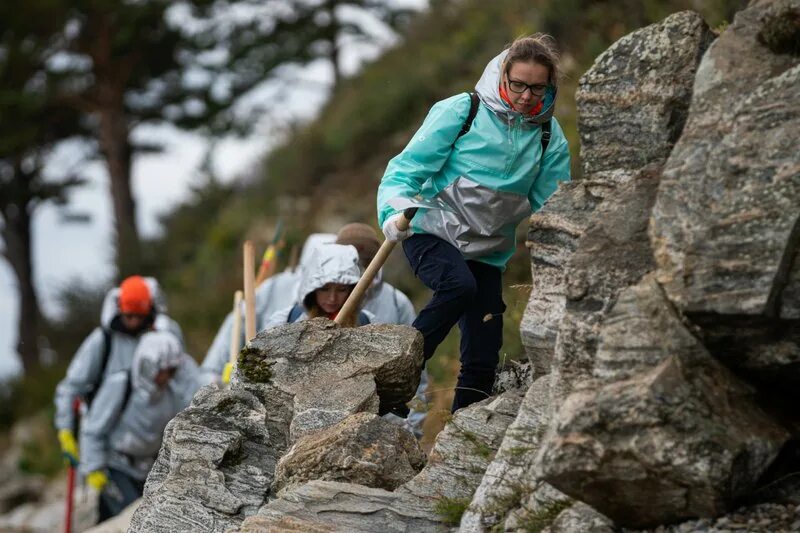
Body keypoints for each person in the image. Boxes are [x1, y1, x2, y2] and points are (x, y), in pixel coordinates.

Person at [377, 34, 571, 412]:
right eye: (518, 84)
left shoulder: (549, 137)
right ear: (503, 76)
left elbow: (555, 207)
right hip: (430, 231)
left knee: (484, 349)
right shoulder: (462, 111)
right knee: (458, 287)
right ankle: (394, 379)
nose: (526, 95)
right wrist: (392, 212)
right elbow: (404, 171)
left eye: (537, 87)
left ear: (550, 88)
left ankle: (461, 438)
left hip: (487, 251)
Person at [55, 275, 184, 466]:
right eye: (128, 315)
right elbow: (71, 386)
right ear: (120, 309)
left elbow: (180, 377)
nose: (133, 321)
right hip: (107, 436)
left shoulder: (164, 337)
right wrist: (65, 428)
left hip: (152, 437)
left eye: (139, 316)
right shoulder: (103, 341)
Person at [79, 330, 199, 522]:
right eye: (162, 370)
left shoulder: (172, 393)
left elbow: (185, 423)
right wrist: (94, 467)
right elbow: (93, 429)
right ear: (147, 364)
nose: (165, 377)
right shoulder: (119, 385)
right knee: (131, 518)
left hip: (150, 469)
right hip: (117, 467)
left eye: (171, 371)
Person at [200, 233, 336, 385]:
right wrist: (213, 375)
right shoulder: (274, 287)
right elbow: (237, 323)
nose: (332, 296)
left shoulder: (351, 299)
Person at [335, 223, 428, 438]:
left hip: (388, 428)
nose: (360, 270)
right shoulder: (326, 300)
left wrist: (413, 430)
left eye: (366, 262)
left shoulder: (397, 304)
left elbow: (417, 373)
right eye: (353, 263)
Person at [263, 243, 373, 328]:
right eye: (324, 289)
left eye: (341, 290)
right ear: (312, 289)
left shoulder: (366, 322)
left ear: (352, 290)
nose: (332, 298)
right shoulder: (287, 320)